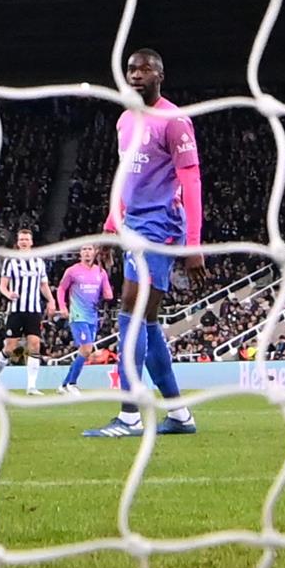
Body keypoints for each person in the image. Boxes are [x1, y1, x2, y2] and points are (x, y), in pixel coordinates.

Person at [84, 50, 203, 439]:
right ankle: (180, 414)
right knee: (146, 323)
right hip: (132, 226)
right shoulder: (124, 121)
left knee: (131, 313)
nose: (137, 75)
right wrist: (109, 225)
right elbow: (125, 178)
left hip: (160, 229)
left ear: (160, 76)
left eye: (145, 69)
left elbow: (191, 182)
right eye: (132, 68)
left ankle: (130, 414)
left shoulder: (174, 121)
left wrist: (194, 244)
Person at [0, 229, 50, 395]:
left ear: (31, 242)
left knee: (35, 344)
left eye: (27, 239)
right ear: (18, 243)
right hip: (16, 310)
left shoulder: (39, 262)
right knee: (10, 346)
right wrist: (8, 294)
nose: (24, 242)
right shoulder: (11, 262)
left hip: (33, 310)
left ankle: (31, 386)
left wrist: (52, 300)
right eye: (21, 240)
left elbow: (43, 285)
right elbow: (2, 286)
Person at [55, 245, 115, 392]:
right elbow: (61, 288)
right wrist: (62, 306)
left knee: (85, 349)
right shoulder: (72, 271)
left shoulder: (100, 272)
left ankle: (64, 385)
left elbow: (108, 293)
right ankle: (72, 384)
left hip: (92, 316)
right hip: (77, 315)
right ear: (80, 253)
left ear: (94, 253)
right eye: (84, 249)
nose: (87, 252)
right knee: (87, 348)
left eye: (90, 249)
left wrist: (108, 293)